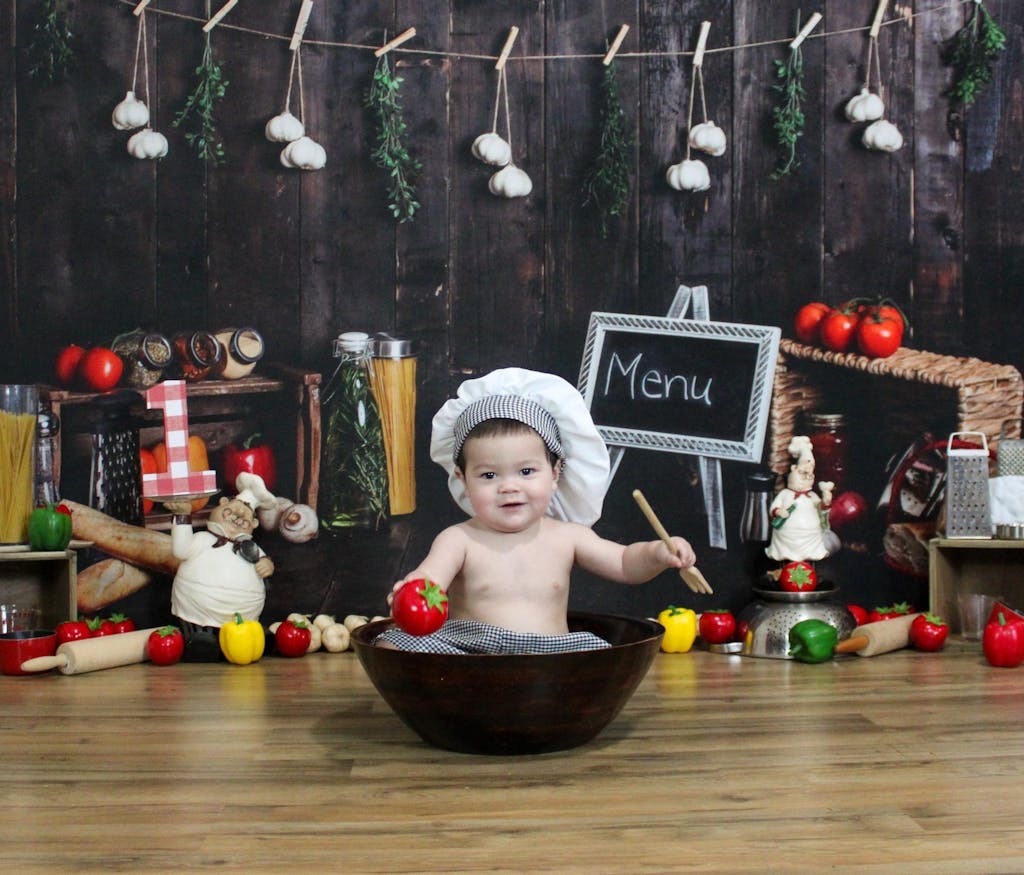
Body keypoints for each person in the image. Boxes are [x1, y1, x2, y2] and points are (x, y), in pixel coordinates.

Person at [375, 368, 696, 654]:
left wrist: (657, 553)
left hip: (550, 654)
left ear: (555, 472)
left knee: (597, 652)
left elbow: (625, 564)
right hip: (470, 651)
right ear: (463, 480)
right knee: (392, 641)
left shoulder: (568, 536)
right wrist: (414, 586)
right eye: (489, 475)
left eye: (526, 472)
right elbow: (432, 577)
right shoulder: (459, 539)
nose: (509, 487)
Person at [166, 472, 277, 661]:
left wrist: (267, 564)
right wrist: (183, 516)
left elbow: (264, 562)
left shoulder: (251, 548)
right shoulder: (202, 539)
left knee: (244, 629)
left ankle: (251, 635)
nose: (239, 515)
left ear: (254, 524)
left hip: (243, 614)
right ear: (222, 503)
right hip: (197, 608)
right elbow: (181, 550)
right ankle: (202, 640)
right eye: (233, 509)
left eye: (247, 514)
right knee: (200, 634)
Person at [765, 435, 834, 563]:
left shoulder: (813, 496)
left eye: (809, 476)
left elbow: (822, 510)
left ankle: (810, 567)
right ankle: (784, 567)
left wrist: (826, 500)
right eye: (802, 473)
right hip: (787, 534)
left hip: (810, 536)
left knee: (810, 556)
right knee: (785, 554)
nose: (805, 478)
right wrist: (779, 511)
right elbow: (773, 508)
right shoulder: (785, 494)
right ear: (793, 470)